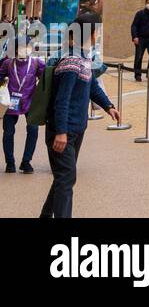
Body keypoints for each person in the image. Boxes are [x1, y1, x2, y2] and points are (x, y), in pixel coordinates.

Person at [40, 15, 120, 218]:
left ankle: (46, 215)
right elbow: (62, 100)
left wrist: (108, 105)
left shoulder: (84, 58)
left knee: (63, 177)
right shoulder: (71, 61)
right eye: (97, 31)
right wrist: (61, 132)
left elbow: (91, 84)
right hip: (64, 131)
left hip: (76, 129)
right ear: (88, 33)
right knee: (66, 178)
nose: (98, 35)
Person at [1, 40, 44, 173]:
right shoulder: (8, 63)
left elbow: (46, 78)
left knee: (33, 129)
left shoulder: (36, 63)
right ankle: (10, 163)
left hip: (29, 101)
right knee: (8, 132)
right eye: (21, 47)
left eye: (28, 47)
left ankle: (26, 162)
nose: (25, 50)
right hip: (11, 103)